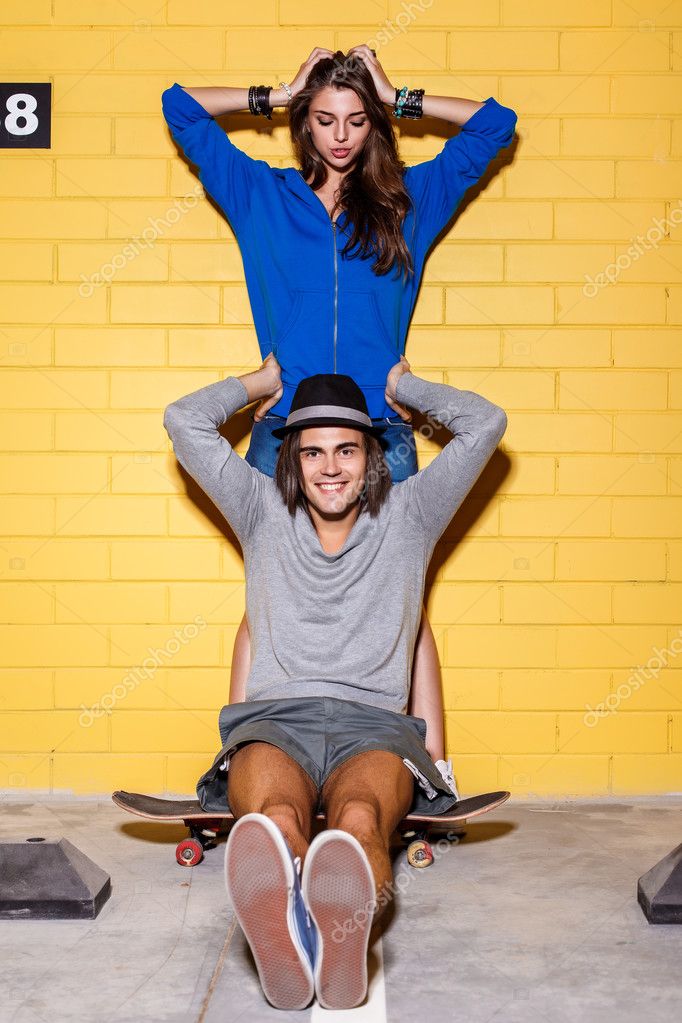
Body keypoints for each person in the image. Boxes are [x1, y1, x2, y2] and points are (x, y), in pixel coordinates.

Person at [160, 48, 518, 763]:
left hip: (379, 432)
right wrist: (279, 90)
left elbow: (496, 126)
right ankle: (241, 756)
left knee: (404, 608)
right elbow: (180, 106)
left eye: (358, 119)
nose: (342, 134)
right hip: (283, 428)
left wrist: (398, 95)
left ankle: (434, 772)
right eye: (324, 119)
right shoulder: (260, 194)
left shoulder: (404, 202)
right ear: (306, 126)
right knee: (269, 602)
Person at [162, 350, 507, 1010]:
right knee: (275, 819)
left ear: (371, 457)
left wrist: (406, 387)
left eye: (346, 449)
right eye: (312, 451)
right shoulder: (259, 506)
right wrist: (262, 383)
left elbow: (486, 423)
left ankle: (342, 934)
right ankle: (288, 929)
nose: (329, 468)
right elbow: (184, 421)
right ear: (290, 459)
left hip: (373, 727)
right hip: (273, 722)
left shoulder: (413, 512)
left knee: (358, 821)